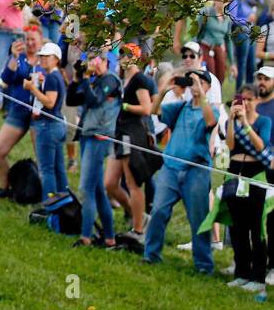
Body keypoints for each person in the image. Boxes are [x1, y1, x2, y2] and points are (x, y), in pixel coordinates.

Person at [143, 69, 220, 274]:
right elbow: (153, 110)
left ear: (208, 87)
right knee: (158, 211)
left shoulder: (212, 109)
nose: (195, 86)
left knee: (198, 219)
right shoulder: (181, 107)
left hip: (196, 171)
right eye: (193, 82)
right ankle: (151, 255)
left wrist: (201, 94)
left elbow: (211, 122)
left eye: (200, 82)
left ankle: (204, 266)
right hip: (170, 168)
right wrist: (164, 89)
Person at [219, 85, 271, 290]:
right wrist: (232, 120)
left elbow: (261, 146)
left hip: (255, 174)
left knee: (255, 227)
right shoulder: (234, 122)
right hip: (235, 172)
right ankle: (242, 271)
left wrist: (246, 125)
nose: (246, 104)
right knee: (237, 227)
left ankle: (258, 277)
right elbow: (230, 145)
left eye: (250, 100)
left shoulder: (264, 121)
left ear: (256, 101)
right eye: (243, 99)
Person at [104, 44, 157, 243]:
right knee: (109, 183)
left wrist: (123, 105)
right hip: (119, 132)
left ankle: (138, 230)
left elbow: (146, 108)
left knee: (132, 183)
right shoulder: (122, 78)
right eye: (122, 54)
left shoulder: (139, 79)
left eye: (128, 55)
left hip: (132, 133)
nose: (123, 58)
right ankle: (135, 214)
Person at [70, 52, 122, 248]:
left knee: (86, 188)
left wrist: (85, 79)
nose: (92, 63)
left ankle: (86, 237)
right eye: (89, 59)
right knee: (98, 190)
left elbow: (94, 101)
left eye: (95, 58)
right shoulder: (95, 80)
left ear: (106, 61)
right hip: (88, 135)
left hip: (99, 137)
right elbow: (72, 100)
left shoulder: (110, 80)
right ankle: (109, 237)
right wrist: (77, 80)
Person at [0, 28, 44, 198]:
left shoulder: (47, 59)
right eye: (27, 39)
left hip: (41, 115)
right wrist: (13, 57)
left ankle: (47, 195)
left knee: (43, 158)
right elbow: (5, 79)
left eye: (33, 39)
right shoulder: (18, 57)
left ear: (41, 40)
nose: (29, 43)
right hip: (19, 111)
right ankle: (5, 187)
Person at [30, 42, 69, 199]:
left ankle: (50, 205)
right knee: (59, 168)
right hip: (57, 125)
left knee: (47, 169)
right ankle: (64, 199)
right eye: (42, 56)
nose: (43, 59)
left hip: (49, 126)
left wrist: (32, 88)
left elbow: (50, 102)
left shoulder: (52, 77)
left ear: (56, 59)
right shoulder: (54, 75)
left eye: (47, 57)